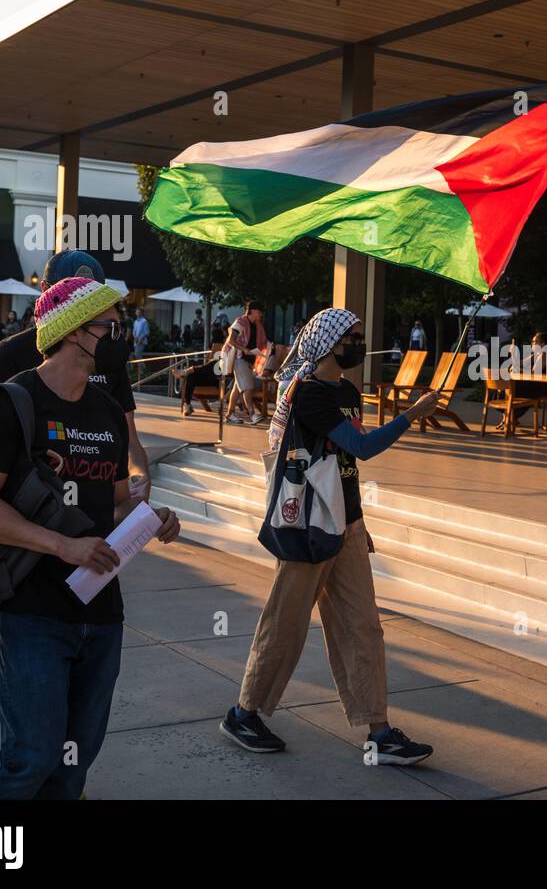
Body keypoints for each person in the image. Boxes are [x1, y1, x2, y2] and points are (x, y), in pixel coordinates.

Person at [0, 277, 181, 799]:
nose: (119, 339)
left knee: (72, 764)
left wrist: (154, 516)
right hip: (31, 609)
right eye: (110, 327)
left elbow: (117, 499)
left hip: (101, 612)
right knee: (27, 759)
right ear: (75, 333)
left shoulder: (105, 412)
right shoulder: (10, 404)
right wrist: (63, 546)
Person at [221, 308, 442, 762]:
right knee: (286, 622)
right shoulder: (309, 393)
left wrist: (360, 523)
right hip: (306, 524)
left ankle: (379, 732)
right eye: (353, 337)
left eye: (360, 336)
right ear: (329, 343)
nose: (359, 344)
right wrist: (412, 415)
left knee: (363, 626)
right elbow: (362, 447)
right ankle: (244, 713)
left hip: (345, 524)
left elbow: (345, 467)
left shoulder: (346, 390)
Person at [0, 251, 153, 502]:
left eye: (92, 297)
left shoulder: (107, 366)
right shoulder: (10, 356)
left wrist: (139, 481)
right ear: (45, 291)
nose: (85, 306)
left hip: (91, 529)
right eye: (72, 293)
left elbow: (129, 439)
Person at [223, 300, 270, 426]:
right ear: (253, 310)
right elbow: (231, 340)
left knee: (238, 388)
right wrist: (244, 349)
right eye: (260, 312)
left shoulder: (258, 325)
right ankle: (252, 413)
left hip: (249, 360)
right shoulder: (240, 322)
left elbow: (264, 342)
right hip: (238, 358)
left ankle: (230, 414)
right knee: (248, 386)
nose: (261, 315)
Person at [172, 347, 221, 416]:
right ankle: (187, 405)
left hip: (217, 381)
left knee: (214, 363)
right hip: (208, 378)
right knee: (191, 376)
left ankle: (186, 371)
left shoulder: (228, 357)